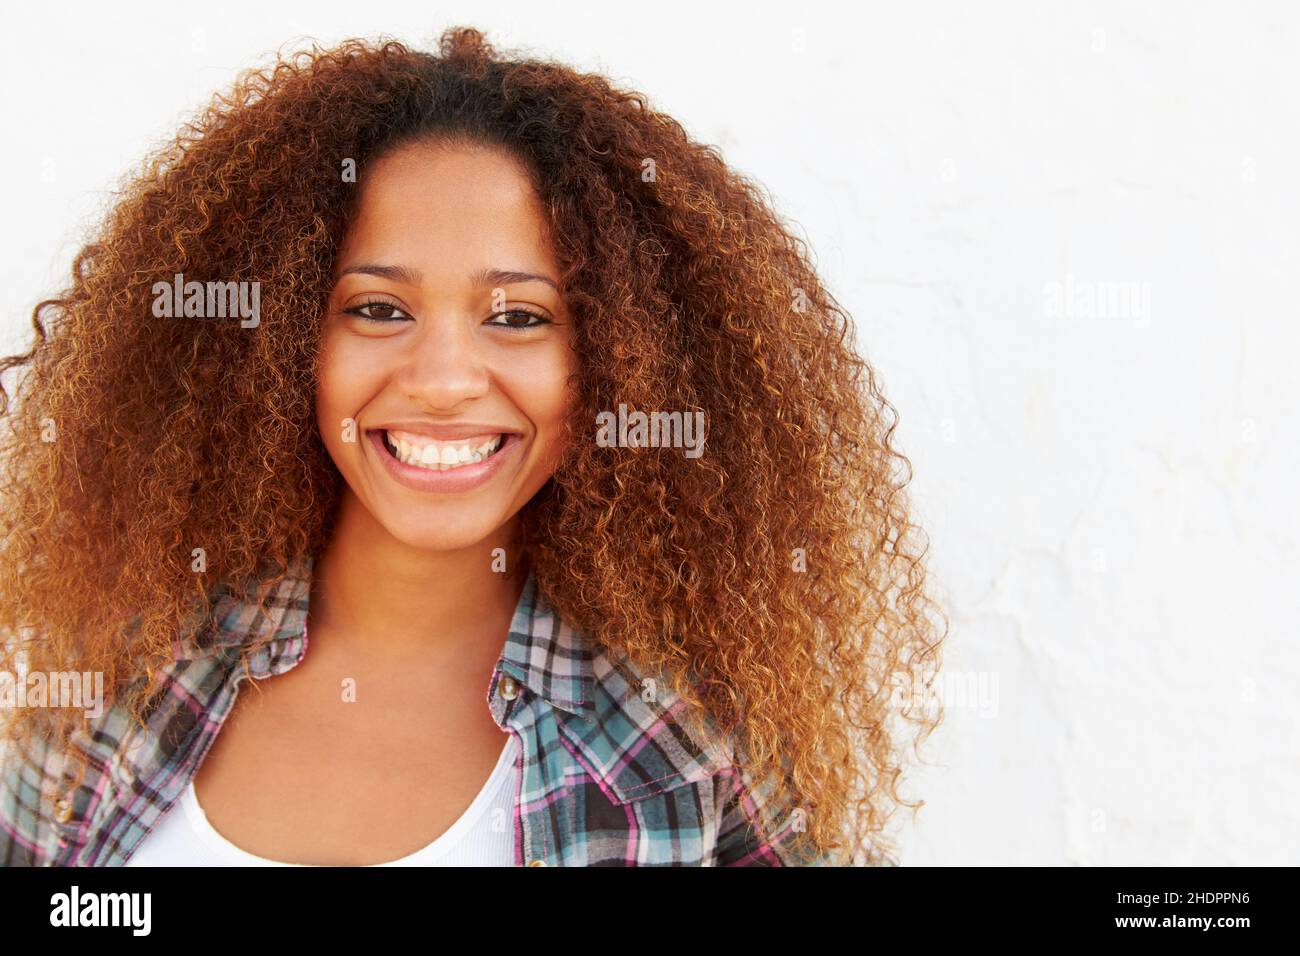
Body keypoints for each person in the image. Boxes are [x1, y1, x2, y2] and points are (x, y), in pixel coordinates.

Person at [0, 27, 945, 866]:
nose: (444, 378)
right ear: (280, 343)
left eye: (521, 317)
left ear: (618, 363)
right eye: (377, 308)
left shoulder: (684, 758)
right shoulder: (119, 672)